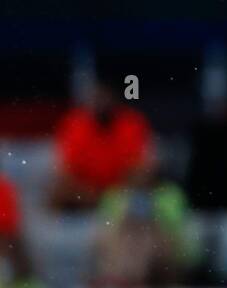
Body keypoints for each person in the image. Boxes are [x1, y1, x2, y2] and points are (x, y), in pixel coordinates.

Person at [50, 78, 155, 210]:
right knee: (57, 190)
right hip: (84, 193)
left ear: (115, 99)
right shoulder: (75, 123)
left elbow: (143, 168)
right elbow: (64, 171)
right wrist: (91, 193)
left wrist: (115, 194)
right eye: (97, 97)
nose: (101, 102)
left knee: (152, 185)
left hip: (123, 193)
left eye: (105, 97)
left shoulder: (132, 122)